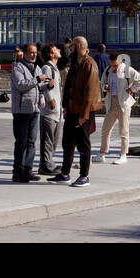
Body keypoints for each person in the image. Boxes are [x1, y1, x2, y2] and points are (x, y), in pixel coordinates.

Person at [52, 36, 101, 187]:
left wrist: (84, 115)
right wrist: (66, 107)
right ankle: (65, 173)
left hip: (83, 110)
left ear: (79, 46)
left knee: (83, 144)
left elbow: (90, 93)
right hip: (73, 109)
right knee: (68, 142)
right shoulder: (75, 62)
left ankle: (84, 176)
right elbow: (69, 86)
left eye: (73, 46)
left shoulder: (89, 64)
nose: (70, 48)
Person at [97, 52, 140, 165]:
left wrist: (132, 89)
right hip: (111, 102)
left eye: (115, 65)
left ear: (121, 62)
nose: (113, 67)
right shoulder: (108, 70)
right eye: (112, 65)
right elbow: (102, 82)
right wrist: (105, 87)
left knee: (123, 130)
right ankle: (102, 153)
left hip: (123, 103)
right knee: (105, 129)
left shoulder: (128, 70)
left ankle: (123, 155)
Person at [10, 43, 48, 182]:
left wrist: (47, 86)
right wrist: (37, 80)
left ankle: (28, 170)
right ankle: (17, 171)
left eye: (35, 52)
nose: (34, 55)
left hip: (35, 110)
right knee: (22, 142)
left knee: (32, 142)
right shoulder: (17, 67)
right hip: (21, 111)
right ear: (25, 53)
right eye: (31, 52)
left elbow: (38, 87)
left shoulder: (37, 68)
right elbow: (21, 85)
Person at [36, 44, 63, 176]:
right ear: (51, 54)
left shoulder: (55, 68)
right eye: (56, 49)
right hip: (49, 111)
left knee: (53, 140)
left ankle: (47, 164)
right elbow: (44, 85)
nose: (59, 50)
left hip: (57, 110)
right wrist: (51, 101)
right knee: (48, 140)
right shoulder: (47, 67)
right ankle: (46, 165)